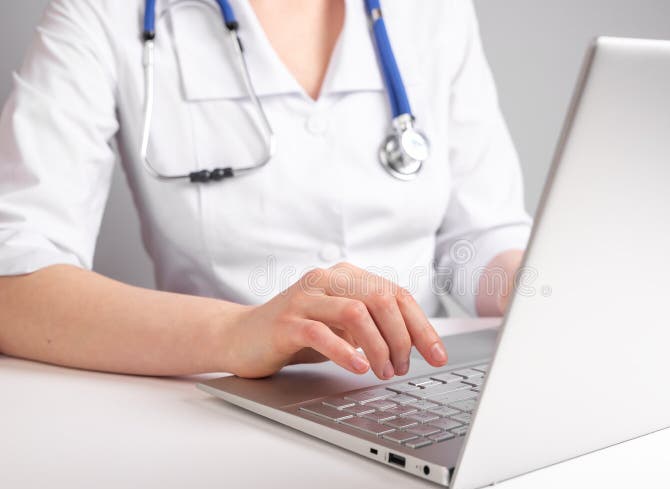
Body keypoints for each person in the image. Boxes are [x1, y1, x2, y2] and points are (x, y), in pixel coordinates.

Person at [0, 0, 531, 379]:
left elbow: (480, 234)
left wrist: (533, 289)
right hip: (218, 401)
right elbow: (13, 285)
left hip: (419, 385)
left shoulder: (435, 10)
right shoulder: (101, 12)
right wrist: (237, 333)